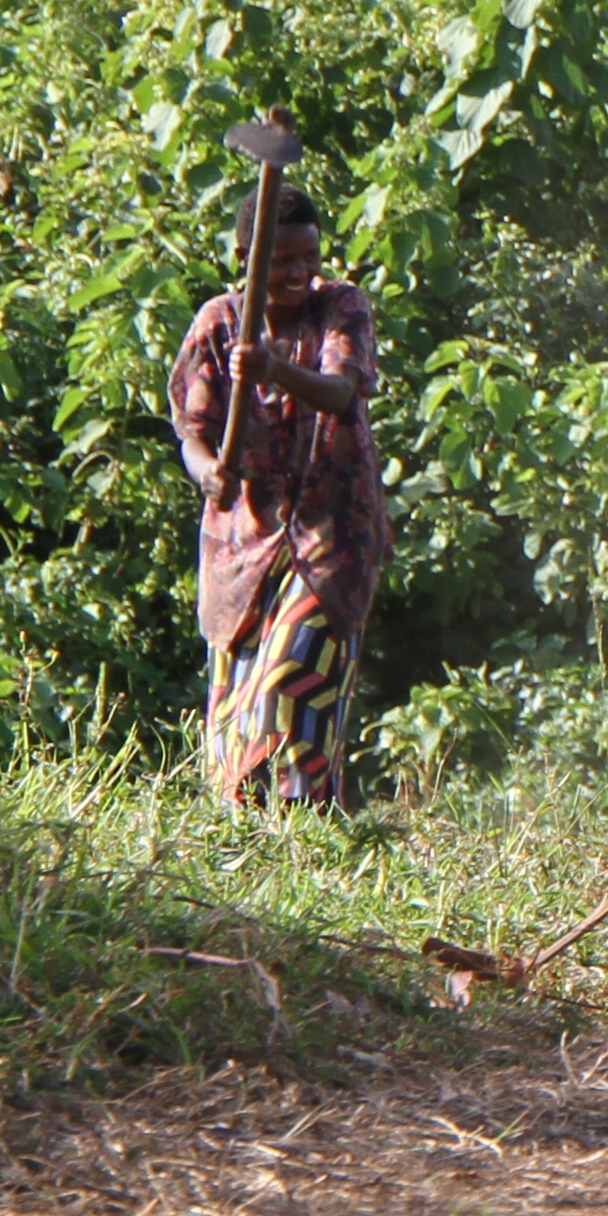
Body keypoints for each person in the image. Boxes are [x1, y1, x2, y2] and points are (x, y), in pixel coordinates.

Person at [166, 203, 386, 811]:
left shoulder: (341, 307)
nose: (300, 272)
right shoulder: (219, 322)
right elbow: (193, 432)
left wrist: (274, 369)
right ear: (248, 258)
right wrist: (208, 473)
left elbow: (340, 391)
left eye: (309, 257)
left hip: (330, 540)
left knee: (288, 686)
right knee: (235, 711)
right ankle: (244, 834)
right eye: (284, 259)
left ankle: (300, 821)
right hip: (241, 547)